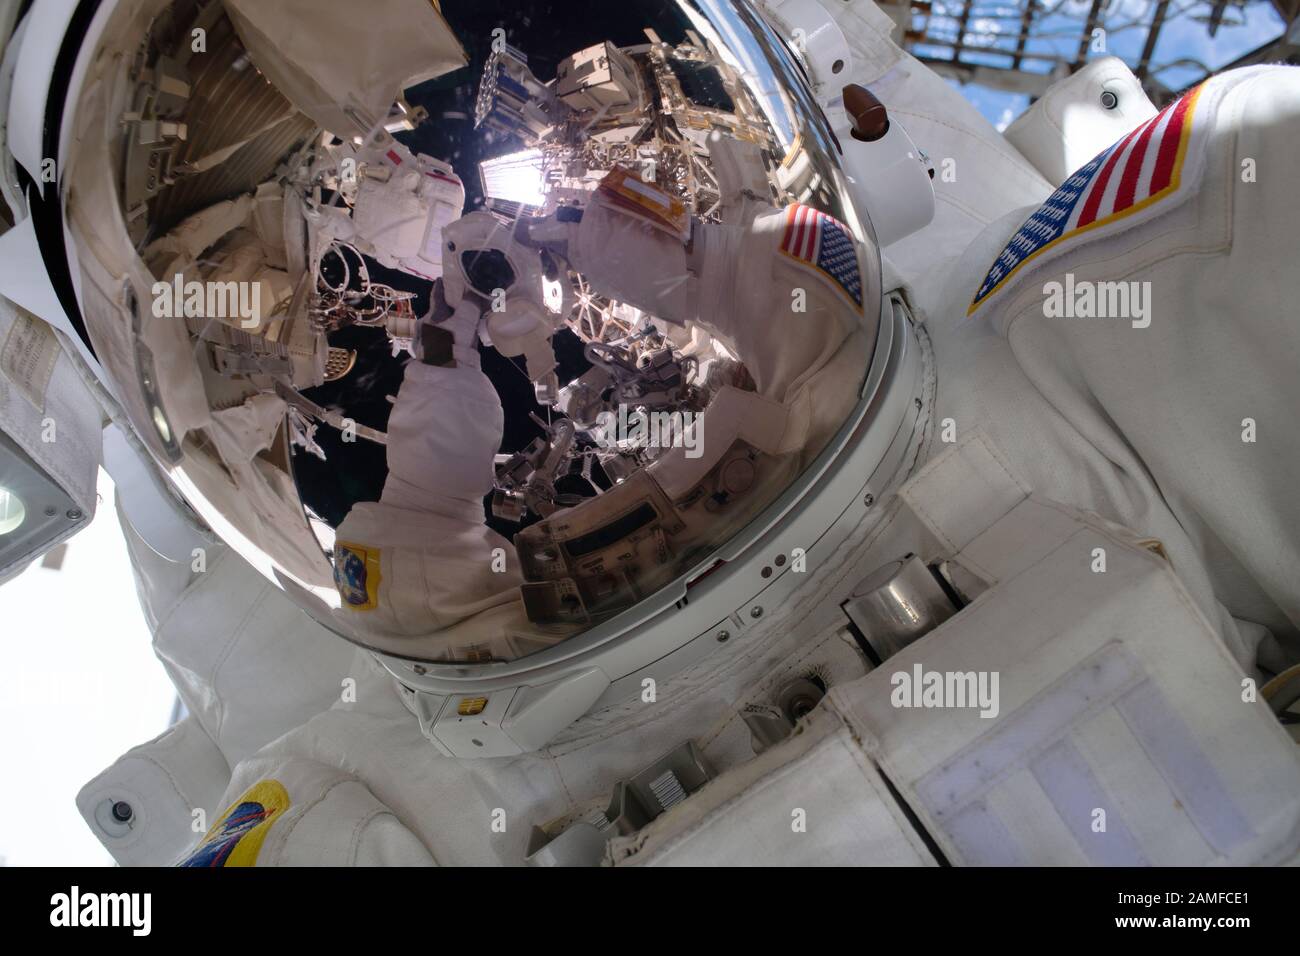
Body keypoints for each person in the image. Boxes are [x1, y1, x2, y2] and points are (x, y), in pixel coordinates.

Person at [73, 9, 1300, 865]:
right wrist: (464, 327)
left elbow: (785, 299)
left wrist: (590, 264)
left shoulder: (1204, 251)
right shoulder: (378, 802)